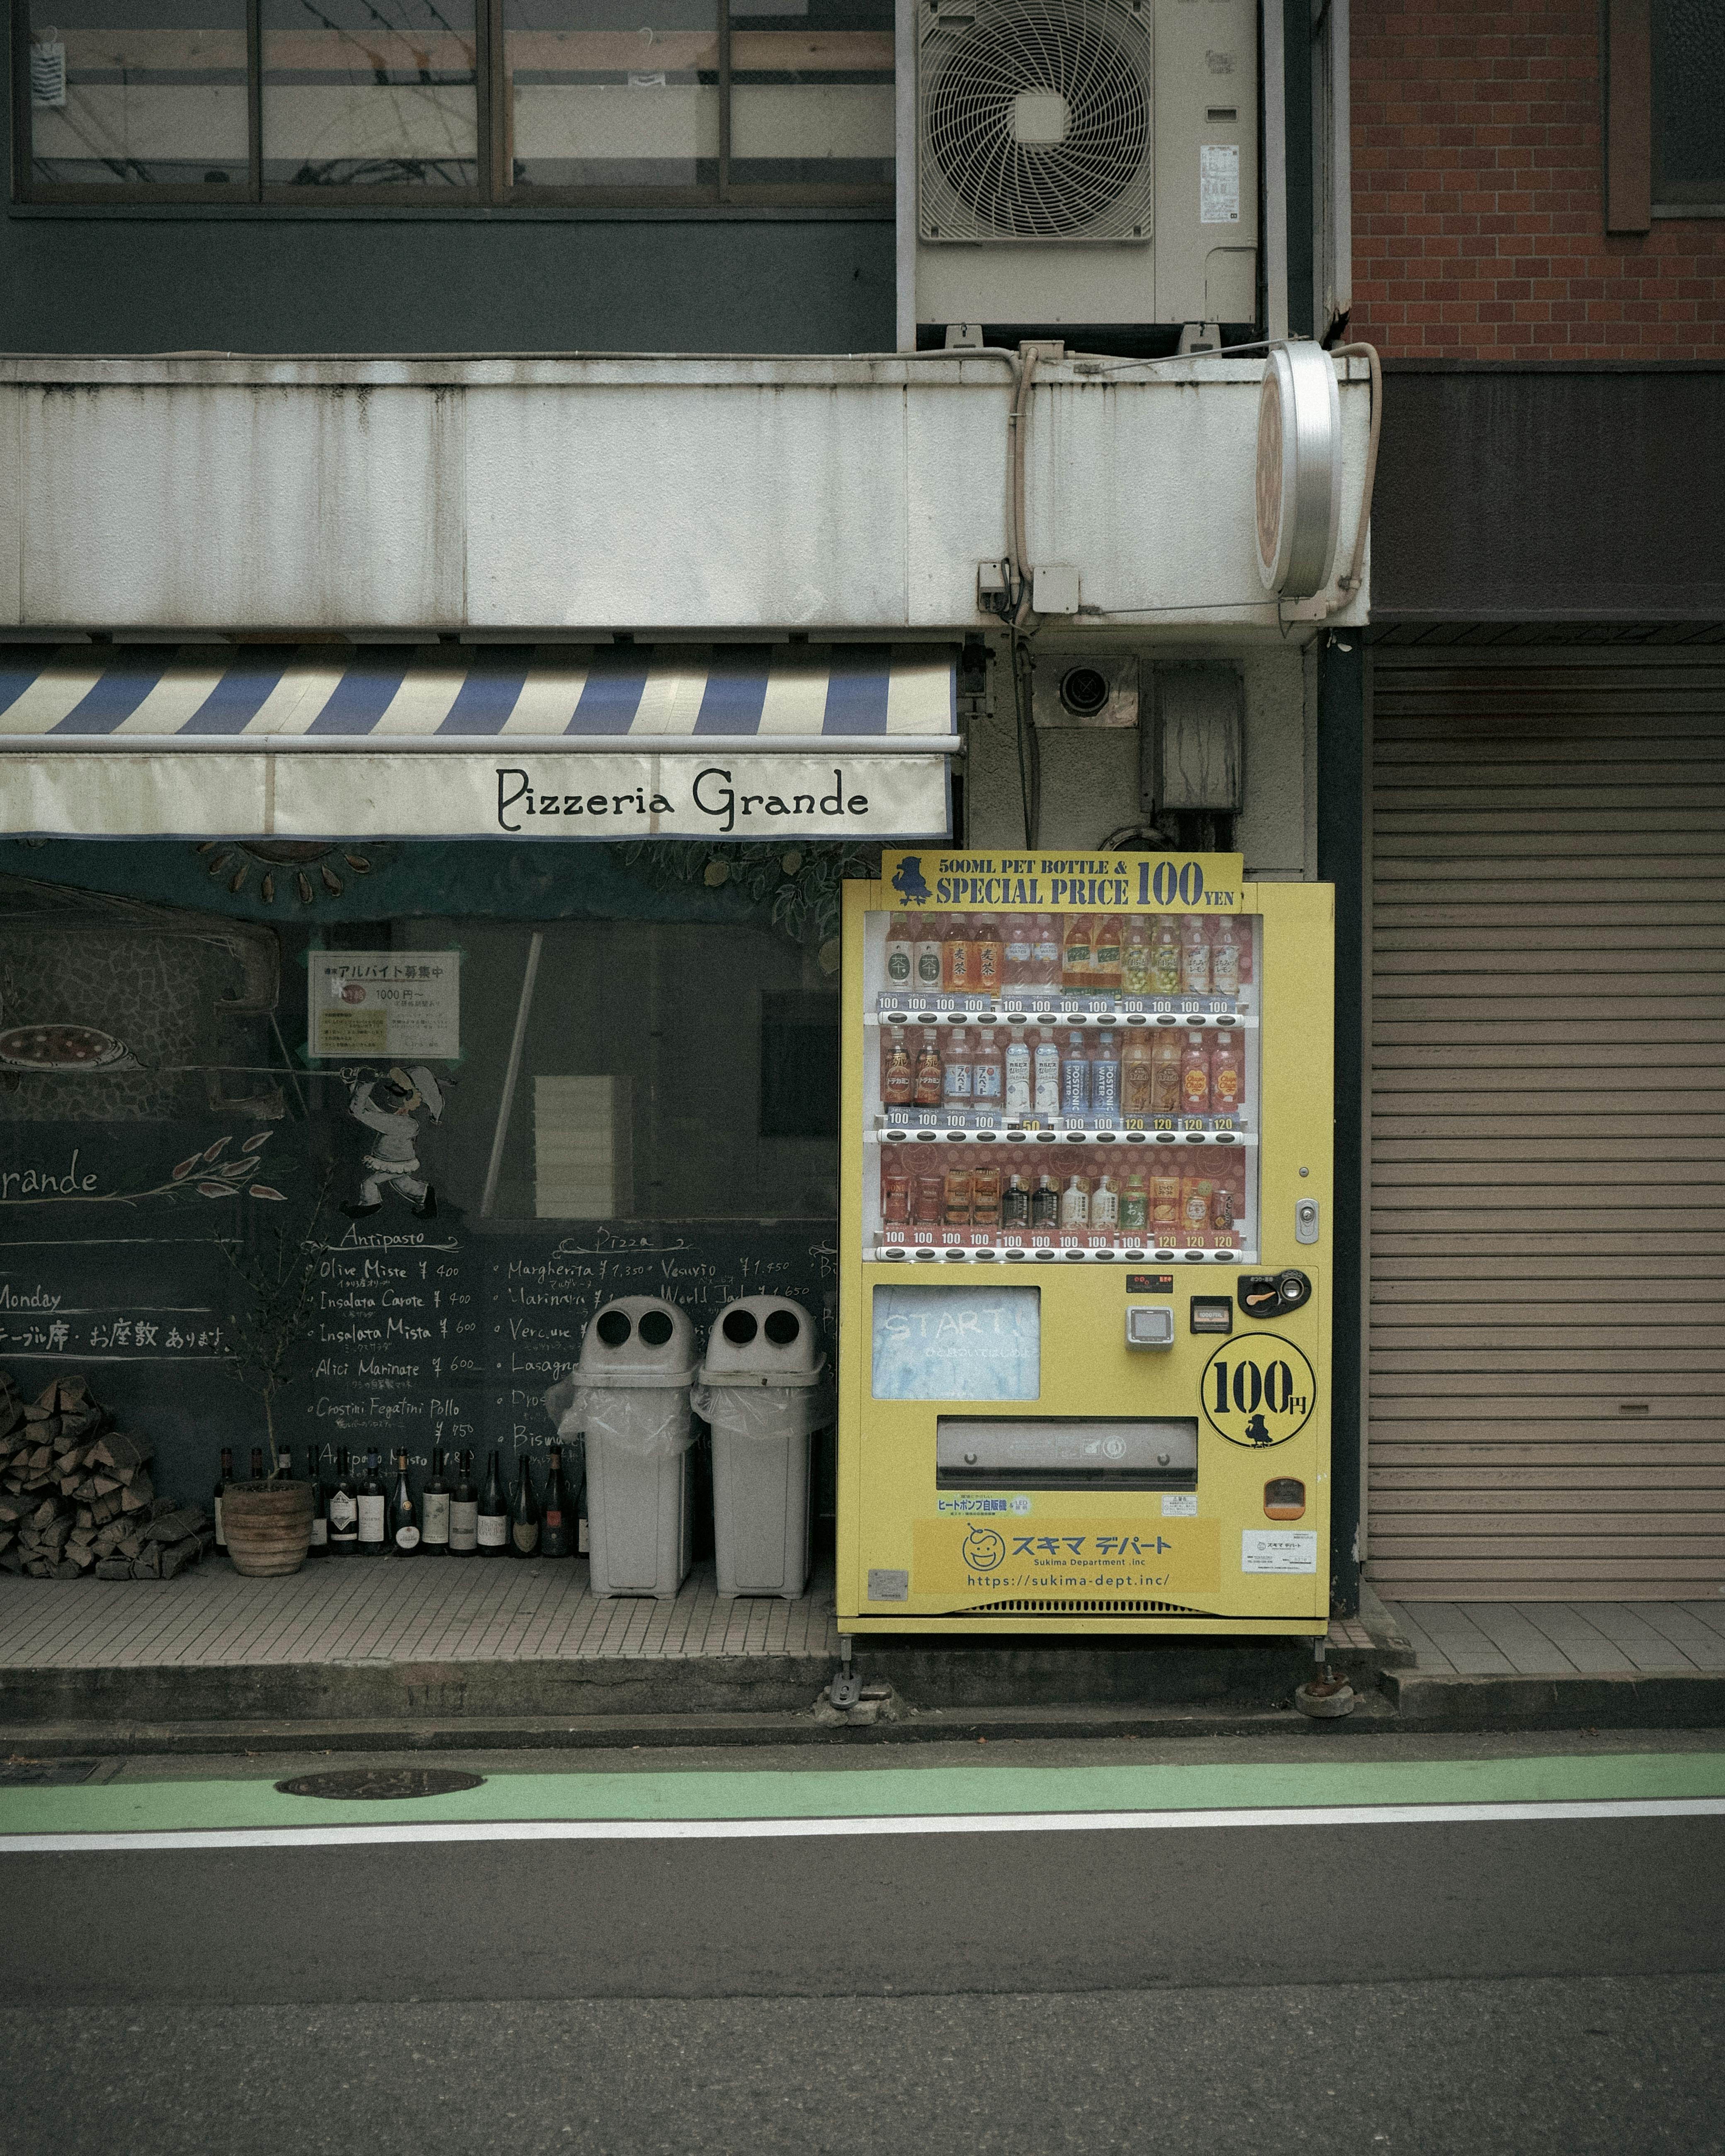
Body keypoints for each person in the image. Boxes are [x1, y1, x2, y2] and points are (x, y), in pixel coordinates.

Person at [340, 1064, 444, 1219]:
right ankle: (426, 1196)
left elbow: (358, 1111)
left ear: (410, 1098)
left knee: (370, 1183)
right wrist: (353, 1083)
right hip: (395, 1162)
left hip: (396, 1162)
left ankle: (370, 1205)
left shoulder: (403, 1124)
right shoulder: (398, 1120)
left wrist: (366, 1083)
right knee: (402, 1183)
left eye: (397, 1090)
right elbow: (371, 1111)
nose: (389, 1090)